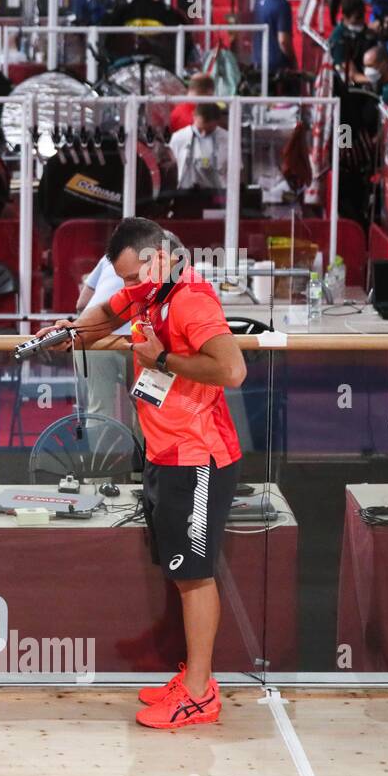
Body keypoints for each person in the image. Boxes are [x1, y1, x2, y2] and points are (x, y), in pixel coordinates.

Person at [36, 218, 246, 730]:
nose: (128, 288)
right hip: (163, 453)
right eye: (124, 278)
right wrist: (69, 332)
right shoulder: (150, 291)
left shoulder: (193, 299)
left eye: (134, 276)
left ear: (161, 255)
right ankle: (193, 678)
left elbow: (232, 369)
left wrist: (165, 358)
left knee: (195, 578)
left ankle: (198, 693)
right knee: (181, 573)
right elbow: (102, 318)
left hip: (198, 457)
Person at [75, 254, 133, 426]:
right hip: (135, 342)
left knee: (99, 407)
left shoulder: (109, 257)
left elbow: (81, 304)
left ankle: (99, 454)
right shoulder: (167, 263)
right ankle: (142, 453)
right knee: (145, 401)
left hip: (91, 340)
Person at [168, 103, 228, 190]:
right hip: (184, 194)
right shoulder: (178, 138)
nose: (203, 134)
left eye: (209, 130)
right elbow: (171, 168)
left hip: (217, 194)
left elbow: (237, 171)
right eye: (200, 129)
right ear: (193, 116)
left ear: (217, 122)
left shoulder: (227, 139)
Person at [252, 0, 297, 75]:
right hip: (276, 68)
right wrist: (293, 61)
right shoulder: (282, 5)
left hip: (257, 61)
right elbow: (283, 41)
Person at [329, 0, 375, 69]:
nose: (362, 20)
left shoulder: (367, 31)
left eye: (363, 16)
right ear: (345, 16)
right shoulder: (338, 37)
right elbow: (351, 73)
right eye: (357, 17)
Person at [363, 42, 388, 113]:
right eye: (365, 66)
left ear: (384, 64)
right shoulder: (383, 85)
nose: (367, 71)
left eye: (370, 66)